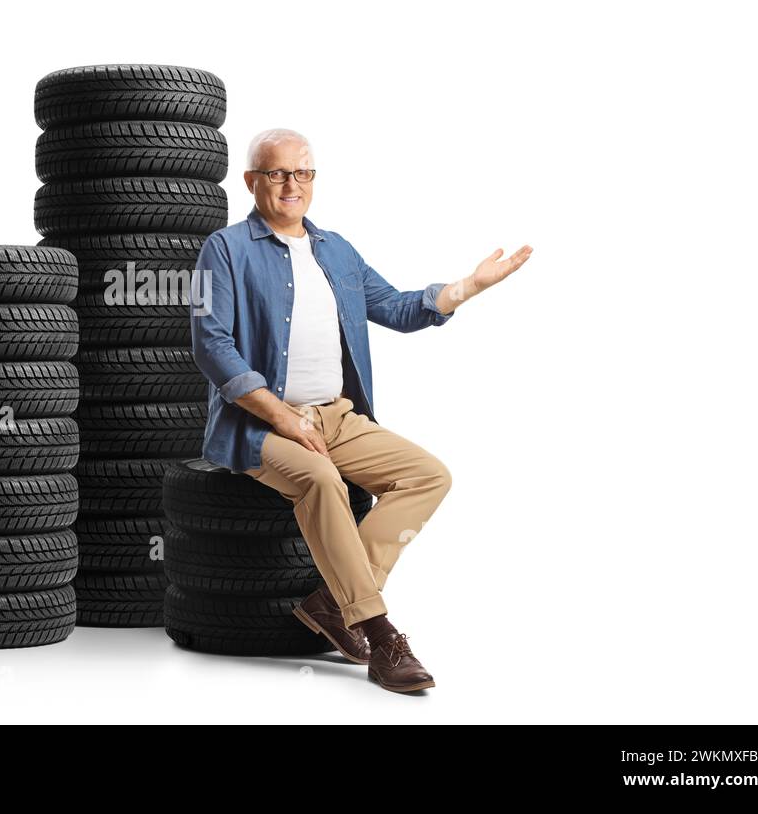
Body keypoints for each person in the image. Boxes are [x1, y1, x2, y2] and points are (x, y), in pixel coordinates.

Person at [189, 128, 531, 692]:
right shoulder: (222, 250)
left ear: (314, 181)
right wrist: (281, 416)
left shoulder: (338, 251)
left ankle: (331, 604)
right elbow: (211, 343)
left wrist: (466, 287)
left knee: (427, 475)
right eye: (276, 173)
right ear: (253, 182)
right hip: (258, 424)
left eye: (302, 173)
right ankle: (379, 630)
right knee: (322, 480)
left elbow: (397, 308)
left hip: (336, 417)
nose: (291, 184)